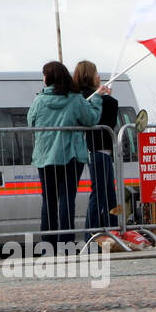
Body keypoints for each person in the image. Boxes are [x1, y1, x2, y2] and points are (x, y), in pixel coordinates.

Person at [27, 61, 105, 250]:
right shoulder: (75, 99)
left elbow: (31, 122)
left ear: (49, 78)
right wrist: (96, 99)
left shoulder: (39, 100)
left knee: (49, 200)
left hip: (45, 157)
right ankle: (66, 243)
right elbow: (90, 119)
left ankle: (48, 243)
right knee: (67, 199)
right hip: (71, 156)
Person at [74, 60, 120, 233]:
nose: (99, 76)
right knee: (100, 195)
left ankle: (112, 230)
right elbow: (108, 118)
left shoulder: (89, 95)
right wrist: (105, 98)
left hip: (102, 152)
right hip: (97, 150)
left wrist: (105, 97)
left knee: (109, 195)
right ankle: (91, 234)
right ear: (89, 76)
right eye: (95, 73)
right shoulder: (88, 97)